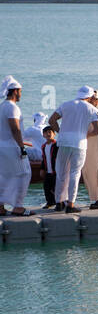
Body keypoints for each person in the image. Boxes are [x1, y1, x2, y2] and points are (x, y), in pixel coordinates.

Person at [47, 85, 98, 213]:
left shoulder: (66, 104)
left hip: (63, 142)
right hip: (79, 144)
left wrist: (61, 132)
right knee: (75, 173)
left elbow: (52, 120)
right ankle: (71, 204)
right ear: (89, 97)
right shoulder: (92, 109)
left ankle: (59, 203)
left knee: (61, 172)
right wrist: (85, 135)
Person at [0, 76, 34, 216]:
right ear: (14, 91)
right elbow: (15, 128)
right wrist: (21, 147)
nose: (21, 94)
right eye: (20, 91)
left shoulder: (2, 106)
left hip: (2, 147)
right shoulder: (12, 107)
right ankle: (18, 207)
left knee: (4, 176)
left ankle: (1, 206)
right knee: (24, 174)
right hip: (12, 147)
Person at [40, 125, 58, 208]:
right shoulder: (43, 146)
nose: (48, 134)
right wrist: (42, 169)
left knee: (56, 188)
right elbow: (44, 158)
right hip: (48, 171)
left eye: (50, 132)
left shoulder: (57, 145)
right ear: (43, 135)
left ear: (54, 134)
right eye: (46, 133)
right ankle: (50, 202)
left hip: (56, 171)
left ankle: (59, 202)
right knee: (47, 188)